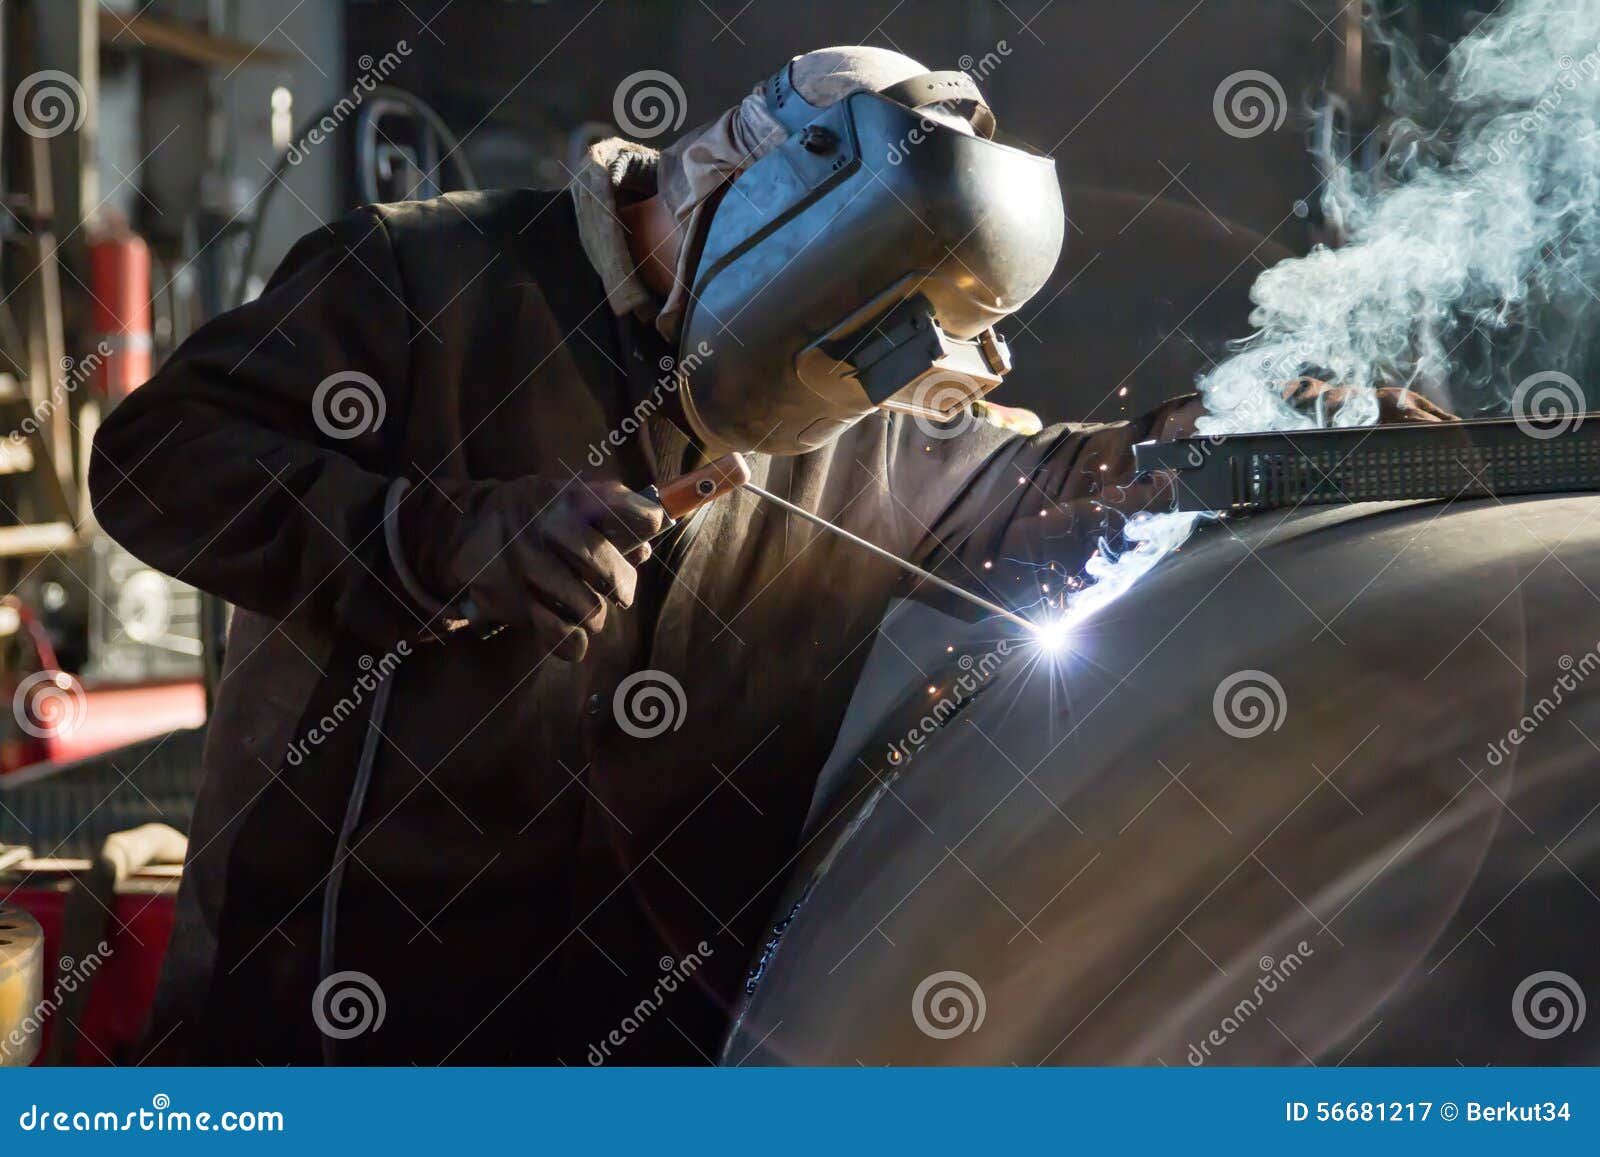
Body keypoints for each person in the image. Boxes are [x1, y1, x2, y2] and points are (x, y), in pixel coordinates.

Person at [88, 46, 1443, 1064]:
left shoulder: (869, 403)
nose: (841, 389)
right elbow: (153, 465)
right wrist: (444, 537)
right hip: (331, 1041)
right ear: (749, 195)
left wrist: (1254, 433)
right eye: (833, 329)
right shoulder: (420, 284)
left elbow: (1040, 487)